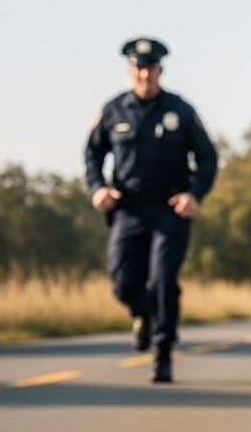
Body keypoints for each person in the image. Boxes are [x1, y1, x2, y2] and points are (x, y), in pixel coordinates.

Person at [84, 37, 218, 383]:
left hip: (169, 210)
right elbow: (92, 154)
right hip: (127, 209)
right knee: (123, 282)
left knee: (161, 279)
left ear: (160, 70)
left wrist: (194, 194)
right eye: (139, 69)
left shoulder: (180, 110)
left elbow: (207, 158)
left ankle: (162, 351)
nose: (145, 75)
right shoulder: (114, 110)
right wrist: (98, 188)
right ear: (131, 71)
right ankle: (142, 313)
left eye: (151, 68)